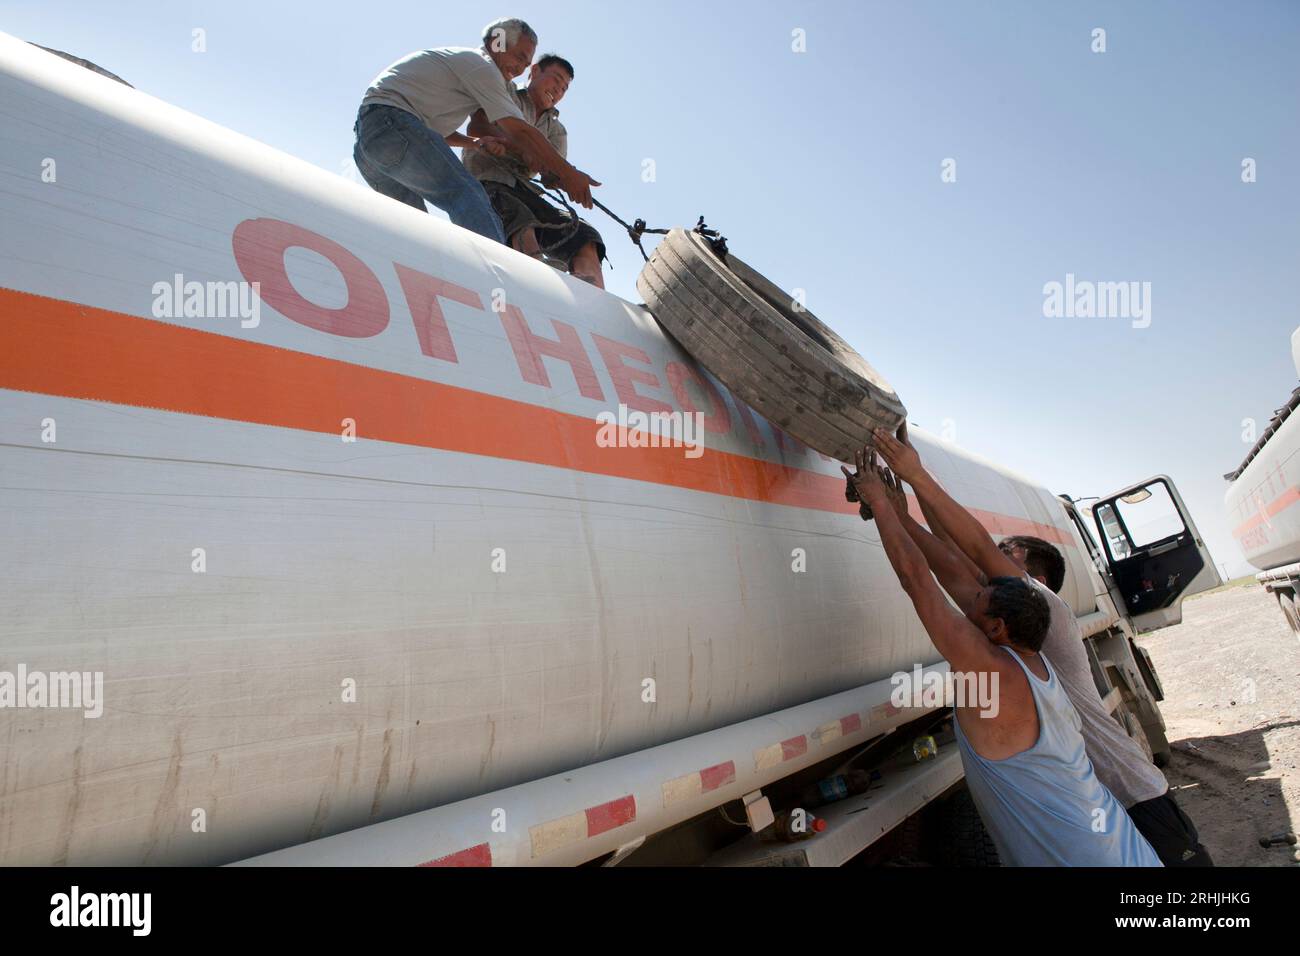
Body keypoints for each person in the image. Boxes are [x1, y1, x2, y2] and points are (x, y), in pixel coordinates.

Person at [865, 424, 1213, 866]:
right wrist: (902, 514)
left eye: (1005, 554)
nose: (989, 557)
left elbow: (960, 552)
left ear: (1034, 579)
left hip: (1133, 801)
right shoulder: (1025, 639)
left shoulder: (1043, 616)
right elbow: (955, 560)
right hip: (1104, 810)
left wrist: (912, 478)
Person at [353, 18, 599, 242]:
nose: (521, 68)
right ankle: (496, 275)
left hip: (371, 141)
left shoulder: (469, 70)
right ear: (498, 42)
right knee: (467, 193)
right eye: (519, 56)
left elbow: (431, 133)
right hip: (391, 123)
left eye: (526, 63)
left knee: (411, 225)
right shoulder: (482, 67)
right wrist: (568, 173)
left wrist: (474, 142)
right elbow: (520, 131)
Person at [456, 54, 608, 288]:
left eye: (564, 88)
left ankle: (594, 296)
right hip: (487, 182)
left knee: (584, 234)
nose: (558, 90)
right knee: (519, 216)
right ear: (534, 71)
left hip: (526, 191)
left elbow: (552, 176)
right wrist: (522, 150)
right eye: (555, 79)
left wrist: (568, 181)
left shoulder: (556, 130)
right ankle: (535, 282)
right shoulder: (505, 94)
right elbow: (477, 126)